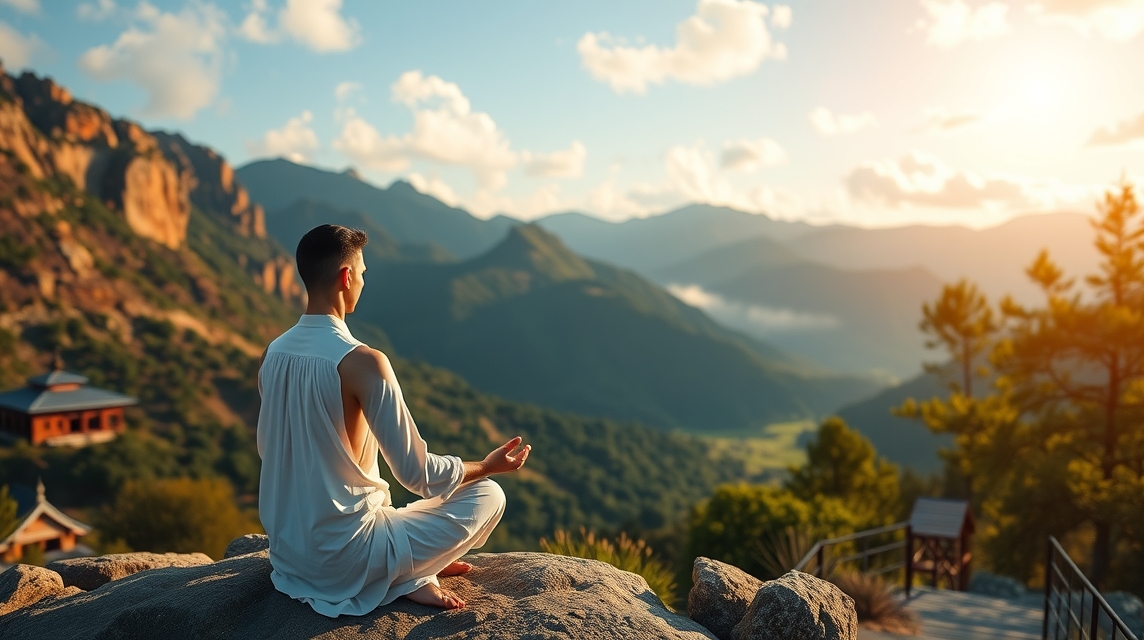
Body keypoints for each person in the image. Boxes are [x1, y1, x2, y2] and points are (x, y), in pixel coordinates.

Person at [256, 224, 531, 616]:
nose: (364, 282)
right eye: (363, 273)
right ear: (346, 276)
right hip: (349, 560)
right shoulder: (362, 362)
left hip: (289, 557)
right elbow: (419, 475)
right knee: (488, 494)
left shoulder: (273, 354)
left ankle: (417, 565)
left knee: (393, 510)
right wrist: (487, 466)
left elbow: (269, 452)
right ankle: (411, 573)